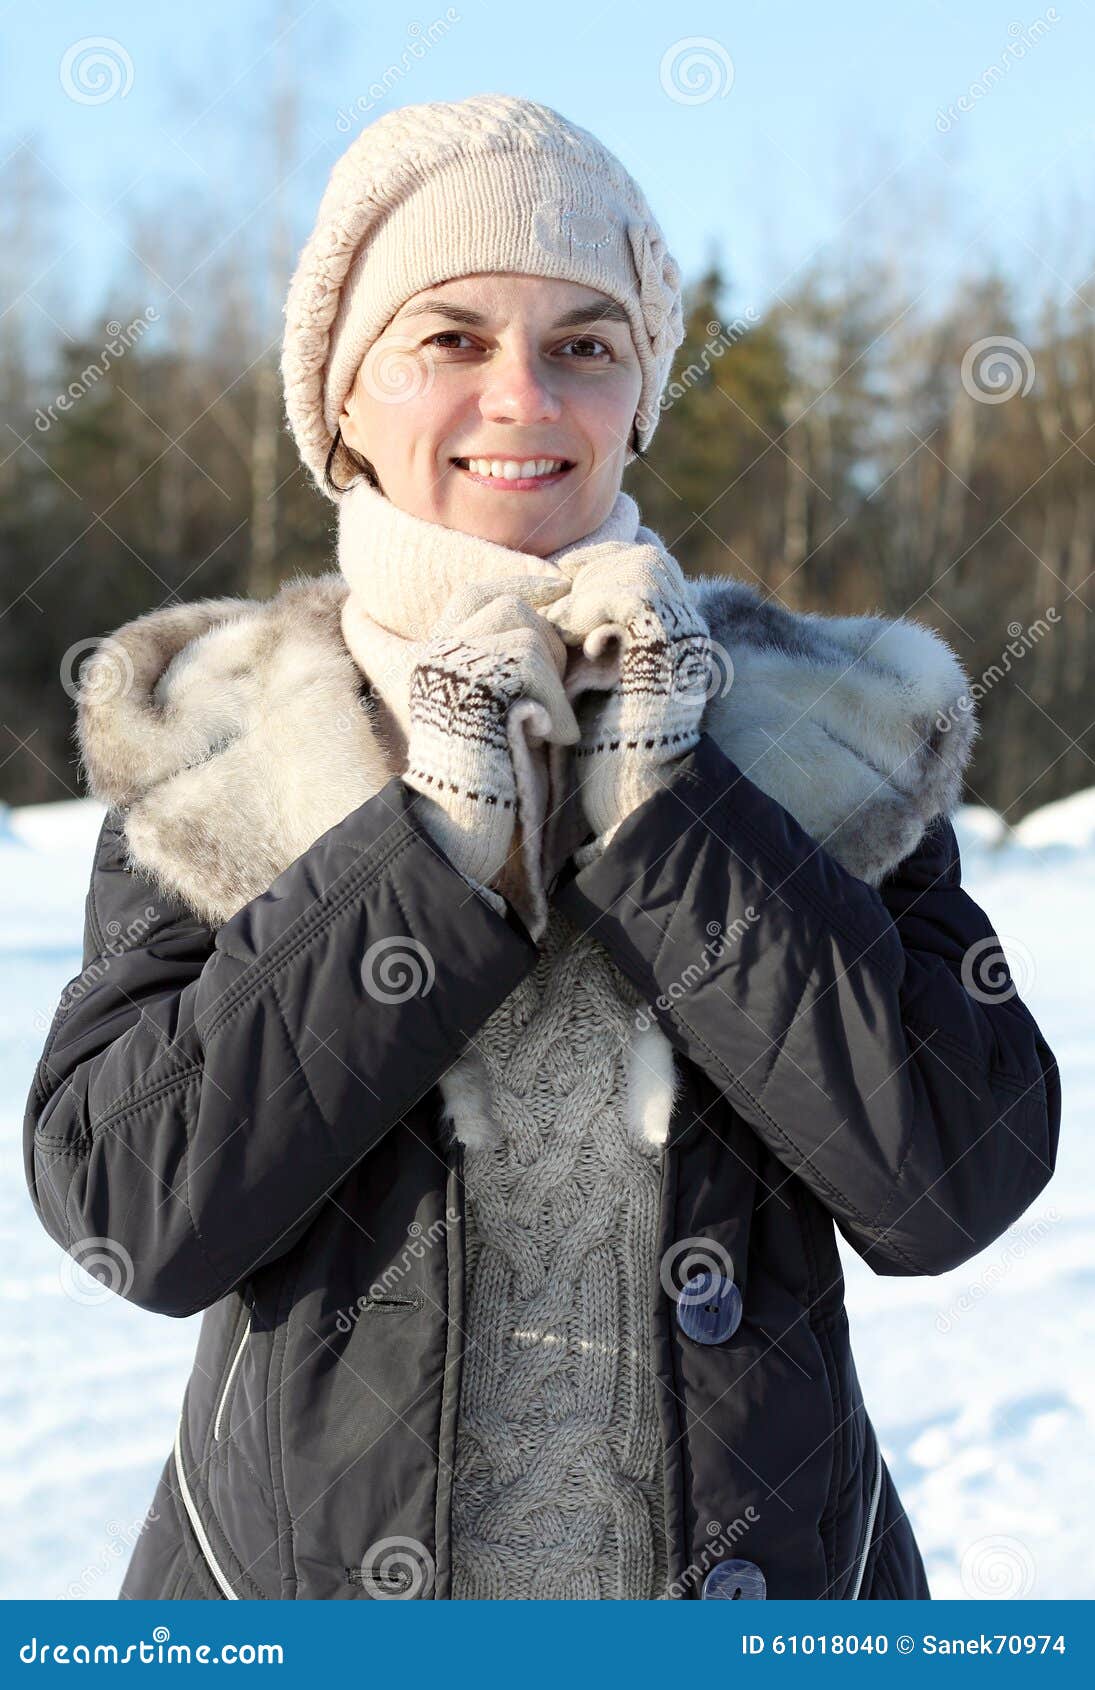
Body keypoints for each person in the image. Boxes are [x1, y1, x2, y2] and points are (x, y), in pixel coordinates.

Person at [25, 93, 1060, 1602]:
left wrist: (669, 821)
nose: (522, 395)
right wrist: (433, 848)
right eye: (448, 338)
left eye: (583, 343)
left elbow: (951, 1178)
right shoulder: (225, 736)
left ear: (639, 390)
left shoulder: (818, 729)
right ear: (342, 400)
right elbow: (133, 1202)